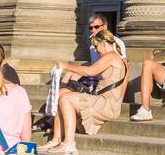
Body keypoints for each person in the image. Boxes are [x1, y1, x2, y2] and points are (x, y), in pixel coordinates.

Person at [43, 14, 126, 147]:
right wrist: (72, 72)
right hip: (101, 98)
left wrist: (65, 65)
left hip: (107, 103)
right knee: (62, 95)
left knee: (66, 99)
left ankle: (68, 142)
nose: (97, 52)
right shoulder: (111, 56)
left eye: (97, 48)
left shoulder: (111, 56)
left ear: (104, 44)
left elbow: (90, 71)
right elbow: (90, 69)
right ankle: (56, 138)